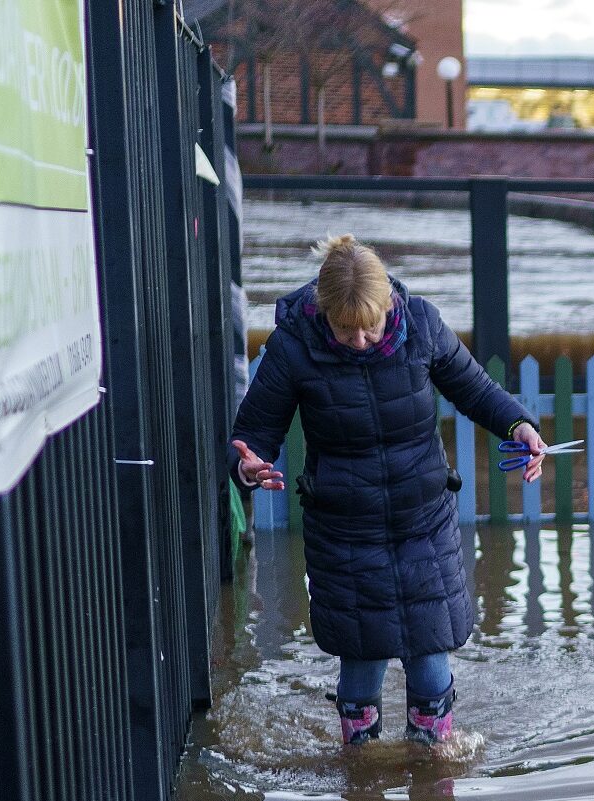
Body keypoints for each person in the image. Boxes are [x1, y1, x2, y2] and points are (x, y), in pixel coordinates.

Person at [229, 235, 546, 749]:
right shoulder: (292, 347)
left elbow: (475, 388)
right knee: (361, 659)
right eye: (345, 329)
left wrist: (520, 426)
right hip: (343, 529)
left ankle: (434, 775)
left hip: (422, 519)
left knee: (430, 654)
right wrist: (248, 467)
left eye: (370, 326)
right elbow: (253, 433)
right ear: (322, 310)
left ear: (389, 306)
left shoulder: (421, 324)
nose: (360, 341)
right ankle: (361, 779)